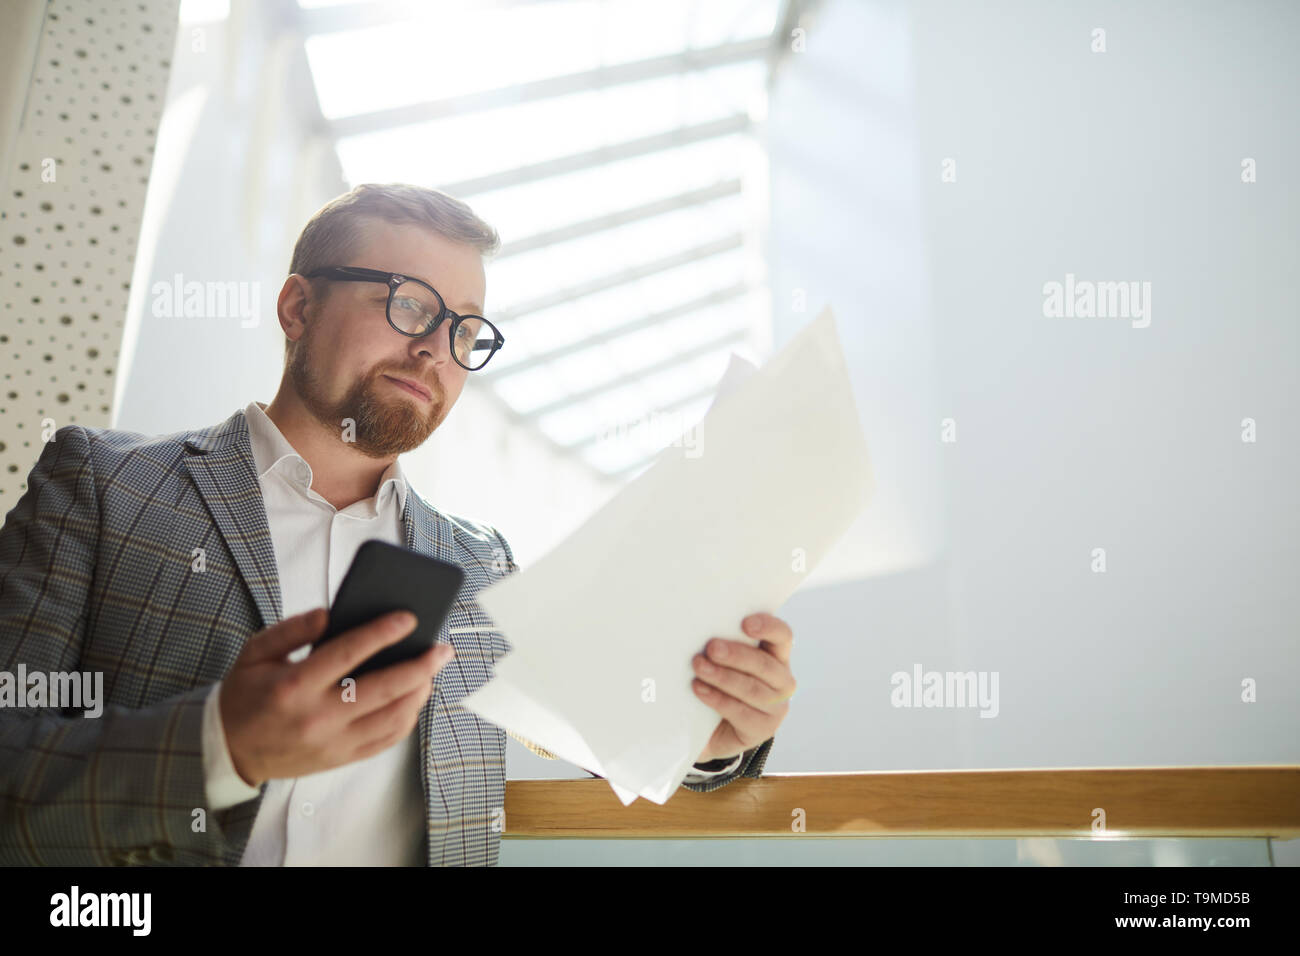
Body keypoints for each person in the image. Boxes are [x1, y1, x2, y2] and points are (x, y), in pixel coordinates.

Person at [0, 183, 793, 866]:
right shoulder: (104, 487)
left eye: (465, 331)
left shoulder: (481, 565)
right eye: (410, 303)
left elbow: (605, 730)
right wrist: (221, 747)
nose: (434, 351)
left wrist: (708, 737)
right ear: (298, 306)